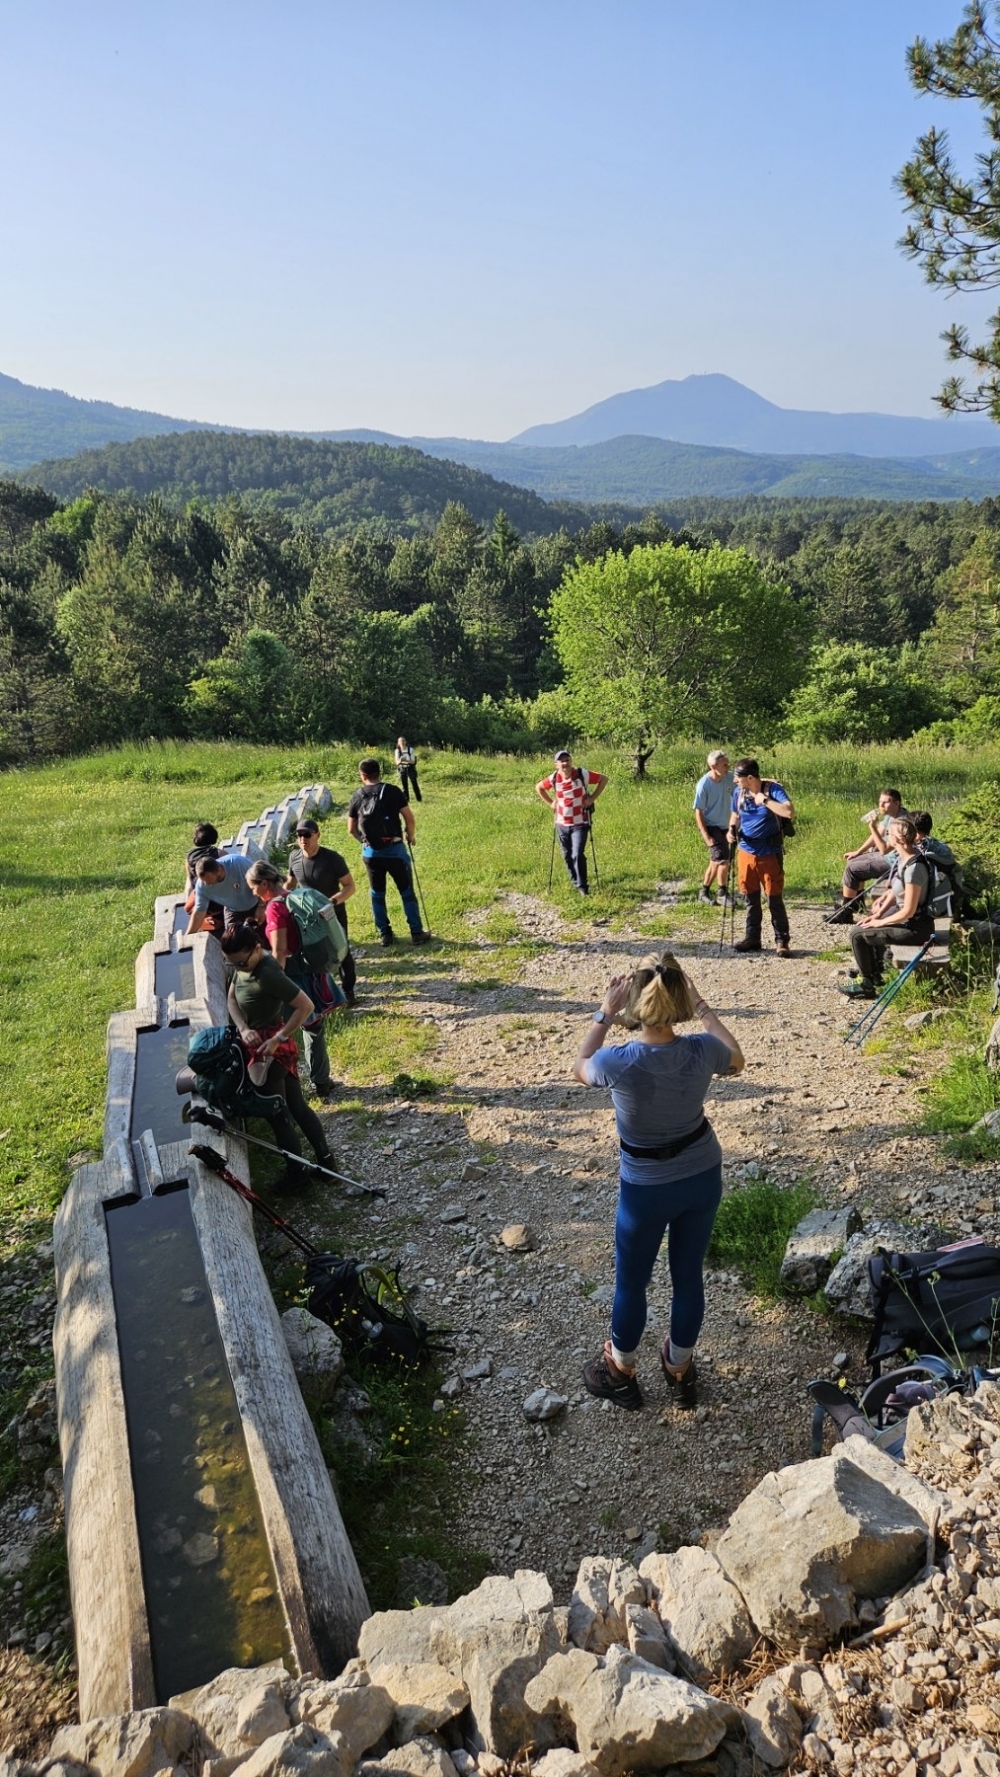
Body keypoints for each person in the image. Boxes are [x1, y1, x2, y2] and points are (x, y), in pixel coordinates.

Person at [573, 954, 744, 1411]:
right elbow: (737, 1057)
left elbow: (580, 1064)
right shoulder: (703, 1050)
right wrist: (702, 1007)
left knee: (632, 1282)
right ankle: (679, 1368)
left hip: (645, 1188)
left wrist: (604, 1012)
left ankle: (620, 1370)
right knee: (688, 1276)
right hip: (701, 1173)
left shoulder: (616, 1061)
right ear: (680, 998)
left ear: (635, 1000)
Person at [219, 924, 336, 1184]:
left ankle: (298, 1177)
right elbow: (231, 1000)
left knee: (278, 1116)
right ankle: (326, 1162)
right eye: (231, 964)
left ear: (256, 949)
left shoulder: (268, 973)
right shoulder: (243, 965)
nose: (237, 968)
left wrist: (278, 1038)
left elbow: (306, 1006)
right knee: (296, 1106)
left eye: (241, 963)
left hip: (271, 1053)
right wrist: (243, 1028)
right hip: (259, 1046)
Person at [246, 859, 344, 1102]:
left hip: (292, 975)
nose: (253, 893)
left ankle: (286, 1090)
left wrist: (274, 985)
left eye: (253, 887)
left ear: (264, 883)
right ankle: (321, 1081)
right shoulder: (293, 897)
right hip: (310, 969)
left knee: (284, 1031)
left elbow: (279, 951)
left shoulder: (275, 908)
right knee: (313, 1026)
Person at [838, 817, 935, 999]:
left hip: (915, 929)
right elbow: (895, 890)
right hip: (908, 922)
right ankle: (873, 975)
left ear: (897, 839)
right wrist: (878, 914)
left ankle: (866, 984)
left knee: (856, 935)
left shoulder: (915, 868)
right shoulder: (906, 858)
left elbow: (908, 911)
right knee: (863, 926)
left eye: (889, 833)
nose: (887, 836)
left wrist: (880, 922)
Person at [347, 758, 430, 947]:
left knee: (377, 893)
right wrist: (410, 835)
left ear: (363, 775)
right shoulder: (393, 791)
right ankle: (416, 933)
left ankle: (385, 934)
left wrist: (365, 842)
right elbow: (409, 818)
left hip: (371, 855)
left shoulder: (357, 796)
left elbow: (351, 829)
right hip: (395, 850)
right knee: (406, 891)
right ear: (379, 772)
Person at [726, 758, 794, 957]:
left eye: (738, 778)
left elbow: (789, 812)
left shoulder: (773, 790)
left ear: (750, 777)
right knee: (750, 898)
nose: (735, 781)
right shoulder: (739, 792)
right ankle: (752, 938)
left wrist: (764, 800)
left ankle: (782, 941)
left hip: (770, 853)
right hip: (746, 852)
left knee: (774, 899)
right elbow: (735, 814)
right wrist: (731, 830)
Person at [284, 819, 358, 1004]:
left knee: (341, 950)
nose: (303, 839)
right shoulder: (294, 858)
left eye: (307, 835)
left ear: (317, 835)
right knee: (312, 953)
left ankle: (349, 990)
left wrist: (332, 902)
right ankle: (321, 993)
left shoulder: (332, 858)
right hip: (307, 917)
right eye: (299, 835)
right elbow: (289, 884)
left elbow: (349, 886)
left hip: (332, 913)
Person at [535, 749, 608, 895]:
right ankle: (575, 881)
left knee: (577, 854)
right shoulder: (554, 778)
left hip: (580, 822)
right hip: (561, 823)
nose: (565, 763)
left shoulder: (582, 774)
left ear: (571, 761)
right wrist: (551, 803)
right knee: (567, 855)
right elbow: (539, 788)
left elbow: (603, 779)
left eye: (567, 760)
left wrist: (591, 799)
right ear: (556, 764)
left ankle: (583, 887)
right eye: (561, 761)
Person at [834, 789, 908, 918]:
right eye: (880, 802)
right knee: (853, 860)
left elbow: (884, 849)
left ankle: (846, 912)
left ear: (896, 803)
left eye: (885, 802)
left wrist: (872, 827)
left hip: (895, 861)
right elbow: (877, 835)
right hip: (887, 856)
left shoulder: (901, 822)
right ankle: (857, 903)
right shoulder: (890, 816)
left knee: (853, 868)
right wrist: (858, 852)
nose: (881, 805)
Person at [692, 750, 735, 905]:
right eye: (725, 765)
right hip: (711, 826)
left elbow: (747, 781)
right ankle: (722, 893)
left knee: (716, 860)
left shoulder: (729, 777)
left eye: (728, 763)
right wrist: (707, 837)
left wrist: (768, 782)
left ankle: (703, 892)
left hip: (726, 825)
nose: (728, 767)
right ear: (713, 766)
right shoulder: (704, 785)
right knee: (723, 859)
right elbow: (698, 812)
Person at [187, 851, 263, 936]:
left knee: (263, 934)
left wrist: (262, 906)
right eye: (203, 880)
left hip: (256, 903)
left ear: (218, 870)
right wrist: (189, 936)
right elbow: (199, 912)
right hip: (233, 909)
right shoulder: (202, 885)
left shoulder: (238, 864)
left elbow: (261, 882)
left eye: (208, 879)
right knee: (231, 938)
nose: (207, 884)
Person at [182, 822, 225, 936]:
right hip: (219, 902)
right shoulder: (220, 854)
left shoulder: (189, 858)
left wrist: (188, 903)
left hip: (200, 901)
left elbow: (189, 883)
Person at [395, 736, 422, 803]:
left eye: (403, 741)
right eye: (400, 741)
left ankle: (419, 799)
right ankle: (406, 799)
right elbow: (397, 762)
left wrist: (406, 760)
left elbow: (413, 761)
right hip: (402, 768)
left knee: (414, 783)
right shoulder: (397, 751)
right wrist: (400, 760)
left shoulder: (410, 749)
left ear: (405, 742)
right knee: (404, 784)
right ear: (398, 743)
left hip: (410, 767)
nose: (402, 743)